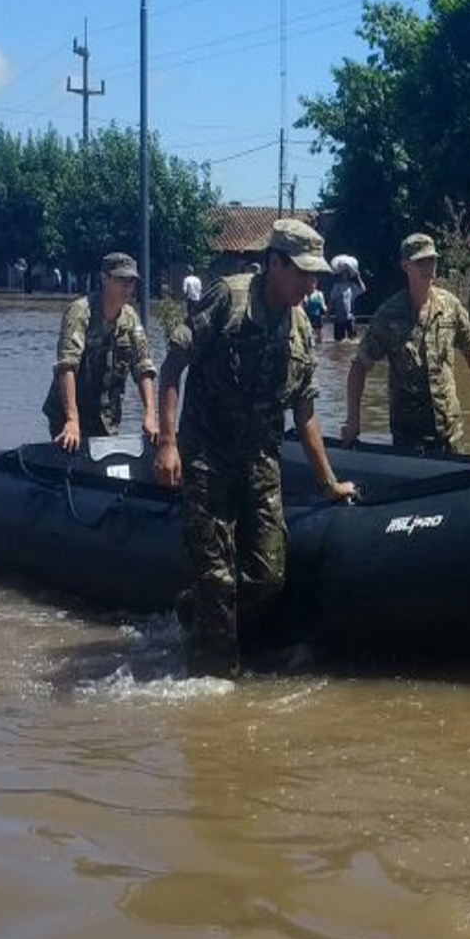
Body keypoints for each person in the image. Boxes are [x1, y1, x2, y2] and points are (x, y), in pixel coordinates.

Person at [153, 219, 356, 675]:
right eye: (303, 272)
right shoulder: (228, 298)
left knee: (269, 577)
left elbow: (304, 411)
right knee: (219, 581)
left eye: (316, 274)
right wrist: (168, 444)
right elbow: (173, 368)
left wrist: (328, 483)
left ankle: (196, 606)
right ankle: (216, 687)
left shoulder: (301, 328)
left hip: (260, 460)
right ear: (275, 263)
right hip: (207, 455)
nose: (312, 283)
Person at [342, 232, 470, 452]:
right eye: (421, 262)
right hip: (408, 435)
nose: (428, 267)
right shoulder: (389, 315)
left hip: (449, 431)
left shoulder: (450, 306)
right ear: (406, 266)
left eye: (432, 260)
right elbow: (359, 366)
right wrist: (353, 420)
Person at [42, 252, 158, 452]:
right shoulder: (80, 312)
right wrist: (71, 420)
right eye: (121, 280)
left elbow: (143, 367)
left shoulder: (130, 318)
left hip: (106, 418)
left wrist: (150, 415)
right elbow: (67, 366)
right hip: (69, 416)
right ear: (104, 278)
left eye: (131, 282)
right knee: (72, 469)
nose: (127, 287)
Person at [330, 266, 362, 342]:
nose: (345, 275)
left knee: (353, 340)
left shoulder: (352, 286)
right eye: (343, 274)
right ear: (341, 275)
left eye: (346, 274)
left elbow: (363, 289)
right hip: (339, 317)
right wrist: (328, 313)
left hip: (350, 317)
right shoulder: (337, 286)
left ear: (349, 275)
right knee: (338, 342)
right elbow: (331, 300)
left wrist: (358, 277)